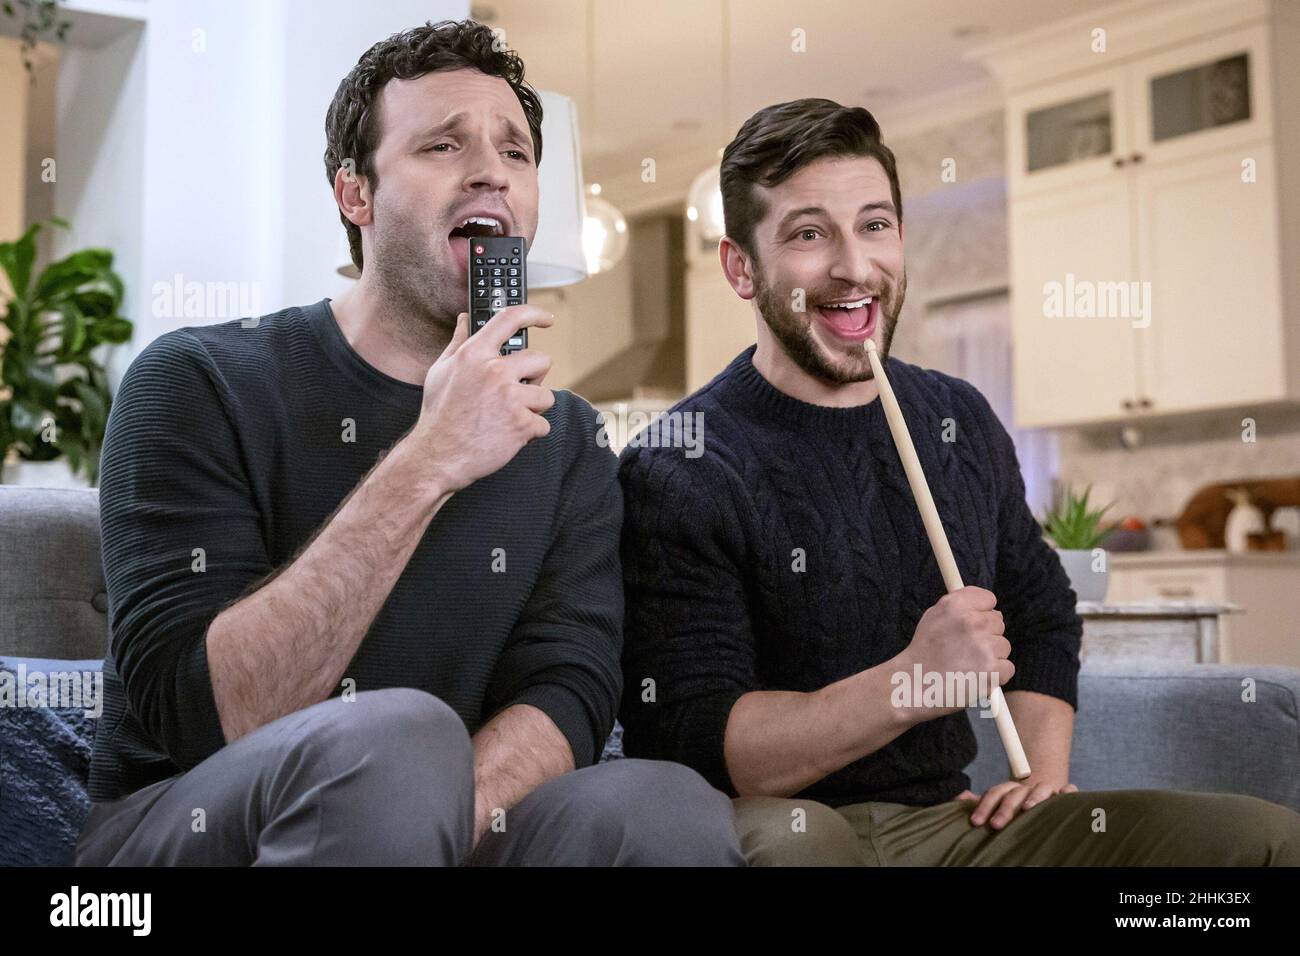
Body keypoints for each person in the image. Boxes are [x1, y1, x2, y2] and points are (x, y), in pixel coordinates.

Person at [75, 20, 743, 868]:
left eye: (517, 153)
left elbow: (567, 684)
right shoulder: (198, 380)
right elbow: (207, 717)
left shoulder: (565, 436)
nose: (490, 173)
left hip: (428, 825)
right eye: (441, 145)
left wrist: (446, 817)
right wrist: (431, 458)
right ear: (354, 195)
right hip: (181, 830)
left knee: (663, 806)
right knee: (396, 739)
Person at [617, 97, 1300, 866]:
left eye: (875, 225)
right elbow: (696, 737)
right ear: (742, 267)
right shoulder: (683, 462)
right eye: (809, 234)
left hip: (953, 828)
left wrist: (1039, 777)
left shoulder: (956, 417)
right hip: (788, 829)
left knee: (1262, 841)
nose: (854, 266)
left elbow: (1041, 613)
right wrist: (911, 681)